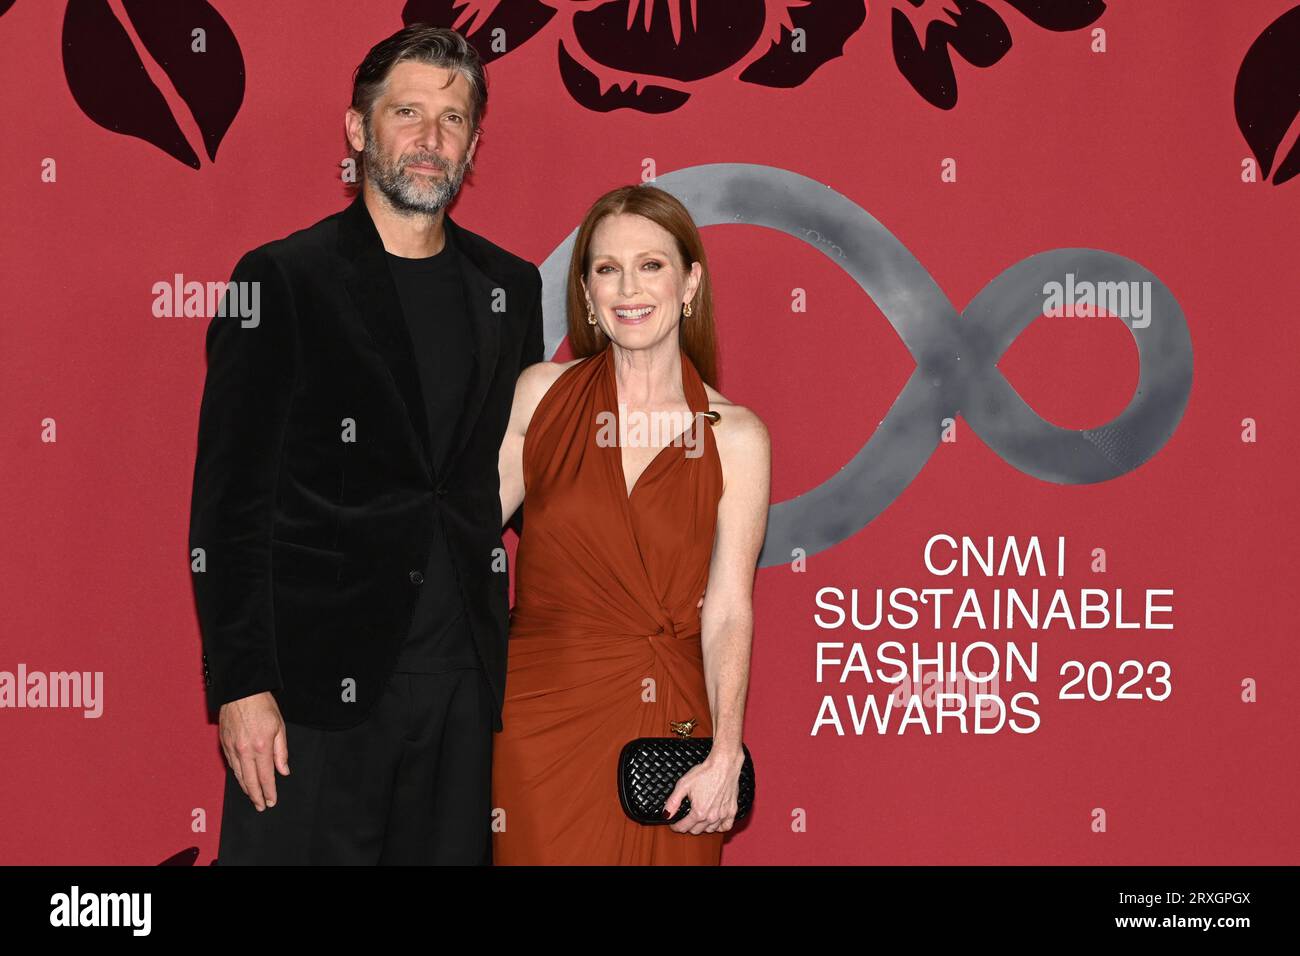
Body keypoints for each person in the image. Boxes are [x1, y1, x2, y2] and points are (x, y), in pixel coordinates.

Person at [188, 24, 543, 864]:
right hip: (312, 689)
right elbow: (230, 504)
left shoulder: (510, 288)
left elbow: (513, 481)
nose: (430, 141)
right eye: (408, 113)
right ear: (358, 131)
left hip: (458, 688)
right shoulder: (282, 279)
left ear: (474, 142)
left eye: (453, 120)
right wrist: (241, 685)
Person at [492, 185, 770, 864]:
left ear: (689, 283)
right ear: (586, 292)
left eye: (650, 265)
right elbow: (455, 531)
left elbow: (729, 608)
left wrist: (726, 751)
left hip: (671, 729)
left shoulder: (737, 436)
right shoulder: (541, 395)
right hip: (538, 718)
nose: (628, 287)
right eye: (607, 268)